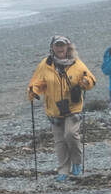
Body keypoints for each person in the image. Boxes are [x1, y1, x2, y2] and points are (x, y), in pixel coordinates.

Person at [27, 35, 96, 182]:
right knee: (59, 141)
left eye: (62, 45)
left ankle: (77, 162)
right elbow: (37, 82)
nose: (60, 48)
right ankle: (63, 171)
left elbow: (91, 79)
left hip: (73, 107)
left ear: (68, 47)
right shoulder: (45, 65)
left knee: (70, 134)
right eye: (57, 45)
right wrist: (33, 91)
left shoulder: (77, 63)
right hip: (54, 109)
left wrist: (86, 82)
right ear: (52, 47)